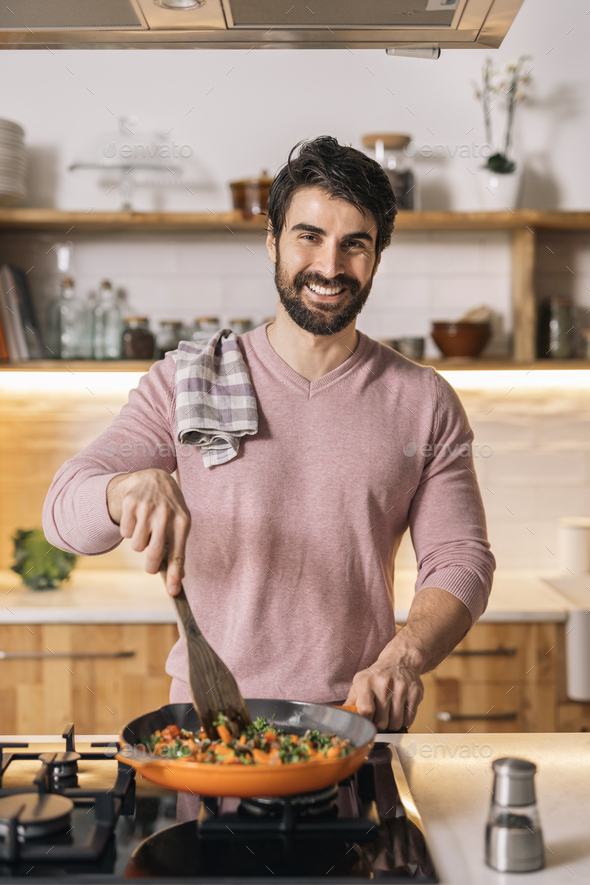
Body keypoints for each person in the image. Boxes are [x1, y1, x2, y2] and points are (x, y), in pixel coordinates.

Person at [43, 135, 495, 736]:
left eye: (354, 244)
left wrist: (404, 657)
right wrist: (125, 489)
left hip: (354, 725)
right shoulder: (188, 381)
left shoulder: (423, 399)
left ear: (377, 257)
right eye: (308, 236)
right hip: (210, 724)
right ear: (272, 241)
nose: (330, 267)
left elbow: (460, 557)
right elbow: (63, 515)